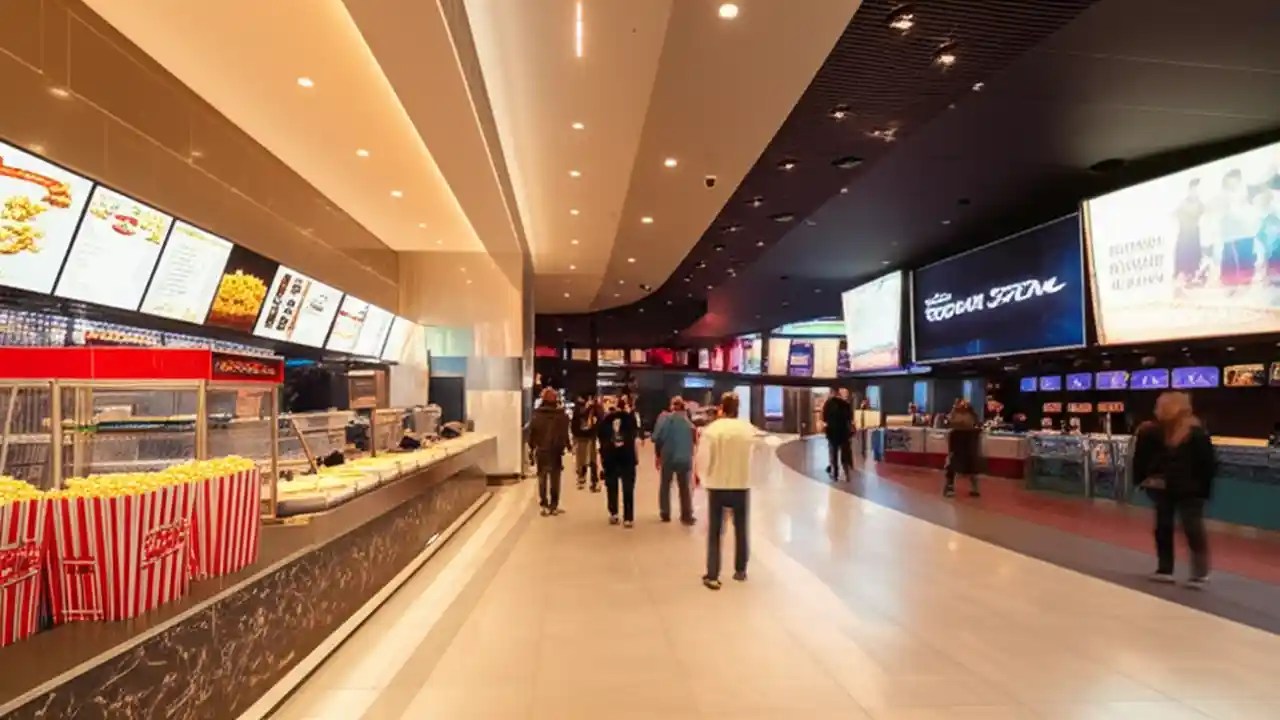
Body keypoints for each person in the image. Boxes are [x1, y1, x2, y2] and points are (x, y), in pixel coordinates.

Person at [1134, 392, 1216, 588]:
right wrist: (1144, 478)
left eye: (1161, 406)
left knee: (1192, 529)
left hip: (1190, 490)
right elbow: (1144, 458)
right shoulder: (1153, 431)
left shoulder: (1195, 433)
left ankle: (1199, 572)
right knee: (1163, 527)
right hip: (1165, 487)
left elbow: (1207, 464)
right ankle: (1165, 568)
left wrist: (1202, 490)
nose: (1157, 410)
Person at [695, 392, 764, 590]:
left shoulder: (712, 430)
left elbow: (703, 458)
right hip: (741, 484)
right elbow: (760, 448)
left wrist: (704, 477)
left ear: (721, 408)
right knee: (741, 529)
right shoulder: (747, 429)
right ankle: (740, 569)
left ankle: (713, 574)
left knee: (715, 532)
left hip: (717, 485)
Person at [527, 387, 572, 516]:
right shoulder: (561, 415)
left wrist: (531, 447)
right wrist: (568, 447)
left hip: (541, 450)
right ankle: (554, 505)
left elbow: (532, 433)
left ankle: (544, 504)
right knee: (555, 478)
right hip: (556, 451)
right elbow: (564, 434)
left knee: (542, 477)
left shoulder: (537, 415)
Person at [652, 396, 697, 525]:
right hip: (684, 457)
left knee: (666, 484)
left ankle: (665, 512)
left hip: (668, 455)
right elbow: (695, 439)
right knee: (684, 487)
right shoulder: (688, 422)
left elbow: (657, 437)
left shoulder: (665, 419)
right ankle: (686, 514)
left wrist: (658, 454)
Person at [598, 394, 640, 527]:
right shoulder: (628, 419)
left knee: (614, 487)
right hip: (623, 457)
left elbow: (601, 439)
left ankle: (615, 513)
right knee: (625, 487)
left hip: (614, 457)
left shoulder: (607, 420)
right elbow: (634, 436)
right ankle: (626, 516)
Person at [944, 399, 981, 498]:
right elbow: (949, 422)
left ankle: (974, 487)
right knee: (953, 462)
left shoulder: (972, 414)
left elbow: (977, 423)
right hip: (957, 437)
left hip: (970, 437)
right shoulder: (954, 413)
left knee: (972, 463)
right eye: (960, 404)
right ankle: (949, 486)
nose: (963, 406)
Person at [821, 387, 854, 481]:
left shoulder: (828, 403)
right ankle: (847, 473)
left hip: (832, 432)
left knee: (833, 453)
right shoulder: (846, 405)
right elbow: (850, 419)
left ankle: (835, 474)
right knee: (845, 453)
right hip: (844, 433)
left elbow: (824, 418)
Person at [571, 393, 600, 491]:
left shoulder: (579, 408)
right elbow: (600, 419)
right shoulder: (591, 408)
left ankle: (582, 479)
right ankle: (592, 481)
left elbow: (574, 422)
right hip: (589, 436)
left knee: (582, 459)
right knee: (591, 459)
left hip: (582, 437)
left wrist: (574, 436)